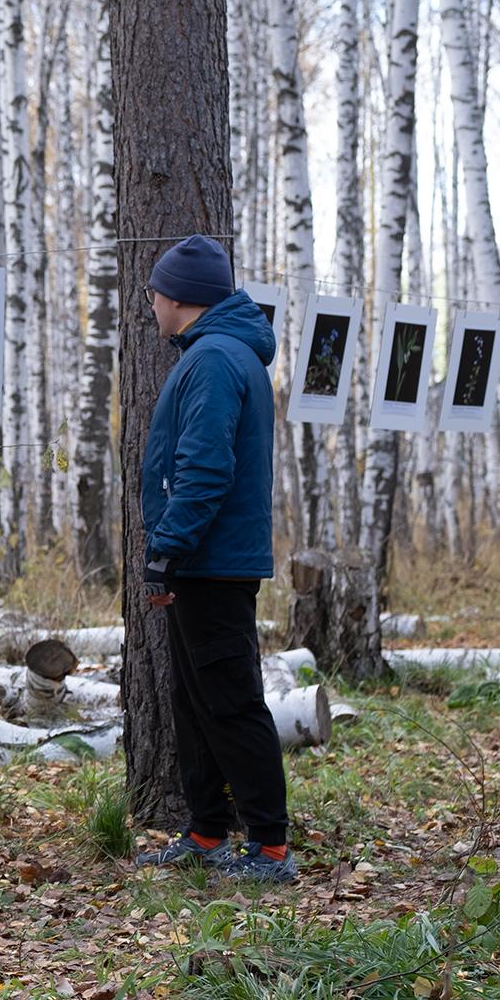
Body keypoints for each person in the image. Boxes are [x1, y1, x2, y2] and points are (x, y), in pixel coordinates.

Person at [130, 234, 294, 884]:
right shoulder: (212, 353)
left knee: (230, 701)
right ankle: (204, 831)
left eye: (153, 290)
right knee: (194, 700)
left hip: (212, 560)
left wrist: (167, 549)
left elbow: (204, 468)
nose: (150, 301)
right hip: (203, 559)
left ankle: (271, 848)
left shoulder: (218, 359)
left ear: (176, 297)